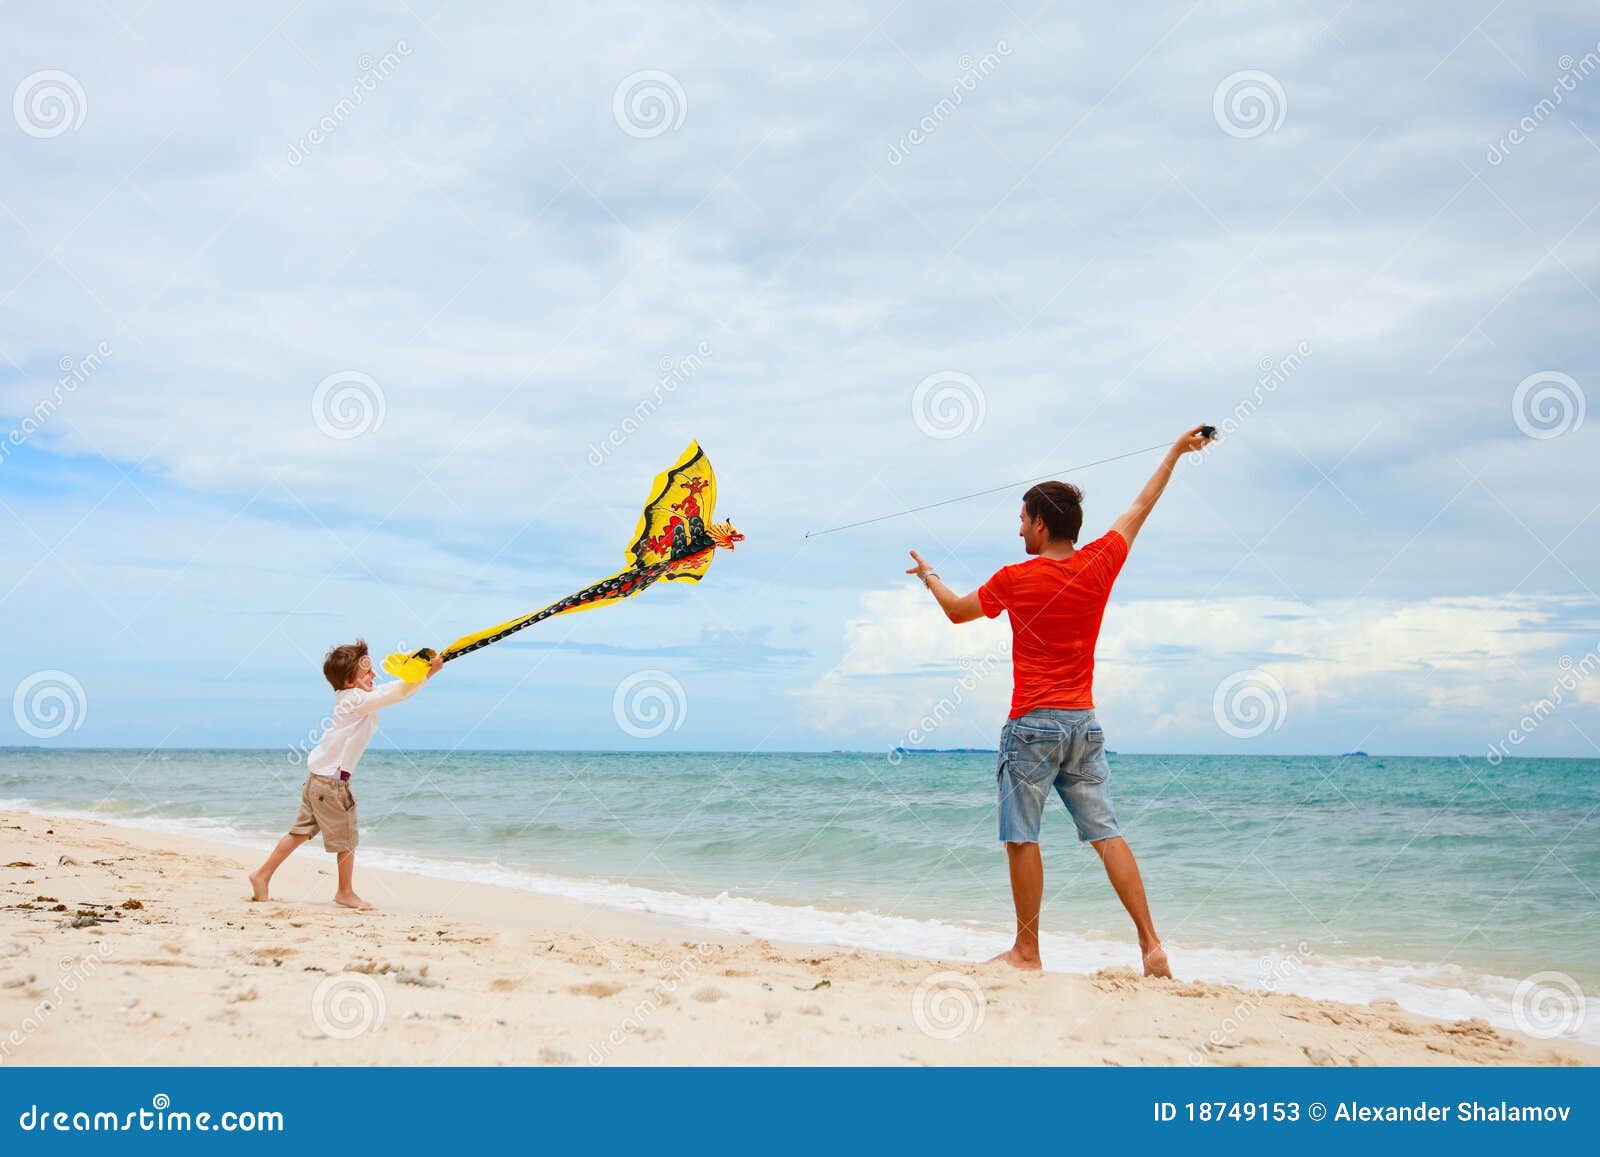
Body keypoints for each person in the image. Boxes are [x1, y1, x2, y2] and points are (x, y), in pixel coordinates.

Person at [905, 424, 1215, 976]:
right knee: (1106, 833)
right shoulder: (1100, 563)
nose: (1018, 527)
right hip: (1084, 726)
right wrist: (1175, 450)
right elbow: (1142, 503)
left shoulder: (1015, 578)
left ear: (1040, 523)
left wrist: (929, 575)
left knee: (1021, 837)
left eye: (1022, 518)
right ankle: (1151, 945)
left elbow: (955, 611)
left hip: (1031, 726)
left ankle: (1027, 952)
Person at [249, 638, 444, 909]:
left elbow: (390, 689)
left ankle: (262, 874)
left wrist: (424, 673)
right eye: (367, 671)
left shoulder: (351, 697)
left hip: (318, 780)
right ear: (351, 681)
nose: (374, 674)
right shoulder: (355, 700)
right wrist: (427, 675)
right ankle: (345, 892)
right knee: (347, 838)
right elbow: (396, 693)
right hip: (330, 785)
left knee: (300, 833)